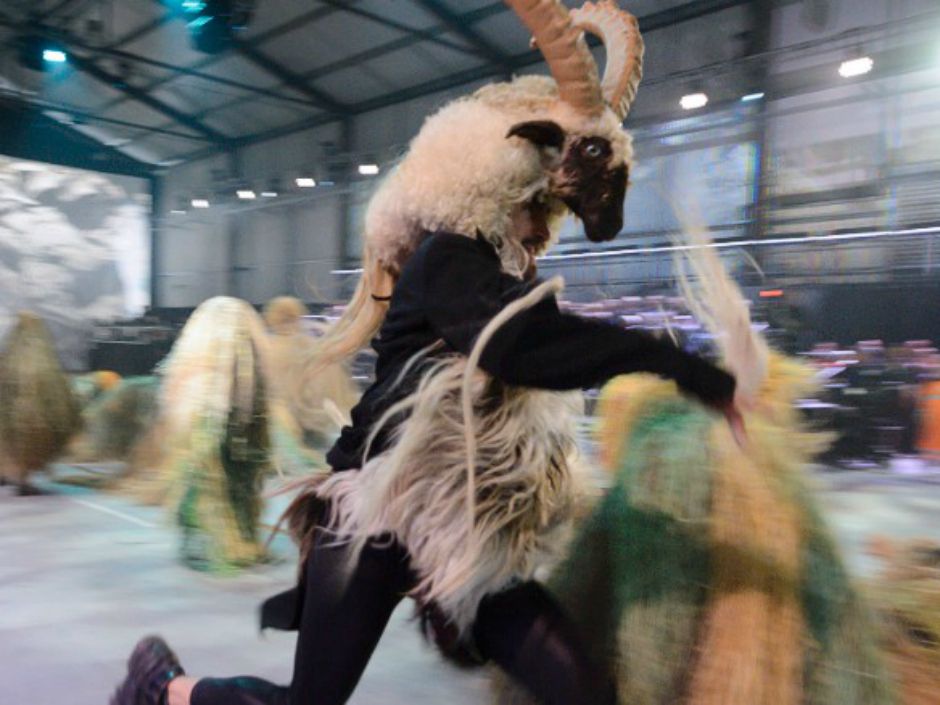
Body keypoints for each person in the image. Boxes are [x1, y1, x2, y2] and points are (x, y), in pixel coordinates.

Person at [110, 2, 740, 704]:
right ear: (513, 179)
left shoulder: (515, 276)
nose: (547, 226)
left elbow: (538, 377)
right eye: (545, 204)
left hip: (459, 529)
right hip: (377, 515)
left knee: (583, 692)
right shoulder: (449, 259)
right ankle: (163, 686)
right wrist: (677, 362)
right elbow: (520, 348)